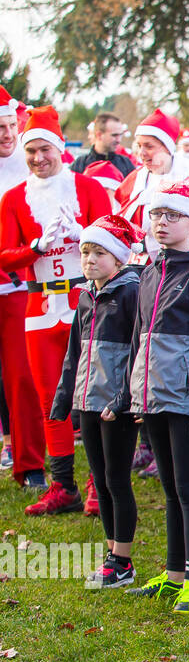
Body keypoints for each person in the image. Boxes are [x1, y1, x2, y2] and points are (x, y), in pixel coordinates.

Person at [117, 178, 189, 613]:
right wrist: (133, 392)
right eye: (157, 214)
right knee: (169, 488)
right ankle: (174, 574)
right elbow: (137, 338)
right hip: (153, 396)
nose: (162, 222)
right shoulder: (149, 270)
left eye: (173, 215)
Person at [0, 106, 113, 513]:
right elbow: (4, 256)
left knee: (96, 394)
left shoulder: (86, 188)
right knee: (51, 399)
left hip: (87, 302)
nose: (38, 158)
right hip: (40, 305)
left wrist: (87, 235)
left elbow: (119, 238)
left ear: (60, 149)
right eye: (31, 152)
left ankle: (100, 482)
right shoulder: (14, 198)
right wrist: (36, 248)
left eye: (45, 149)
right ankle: (62, 484)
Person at [51, 215, 141, 587]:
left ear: (119, 258)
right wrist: (65, 398)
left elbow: (138, 350)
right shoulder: (87, 294)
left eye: (99, 252)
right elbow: (75, 351)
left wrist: (124, 399)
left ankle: (123, 559)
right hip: (88, 400)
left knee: (118, 478)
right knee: (100, 478)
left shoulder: (132, 292)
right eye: (85, 251)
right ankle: (111, 556)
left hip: (114, 404)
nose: (89, 259)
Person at [0, 85, 46, 488]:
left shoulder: (29, 173)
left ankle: (30, 463)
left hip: (15, 288)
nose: (4, 134)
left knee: (22, 377)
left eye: (9, 125)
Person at [116, 109, 181, 252]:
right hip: (135, 263)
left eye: (149, 146)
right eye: (139, 146)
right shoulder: (133, 179)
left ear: (167, 148)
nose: (142, 153)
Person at [70, 112, 136, 179]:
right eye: (114, 135)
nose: (119, 140)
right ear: (99, 135)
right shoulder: (80, 164)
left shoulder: (126, 164)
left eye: (120, 135)